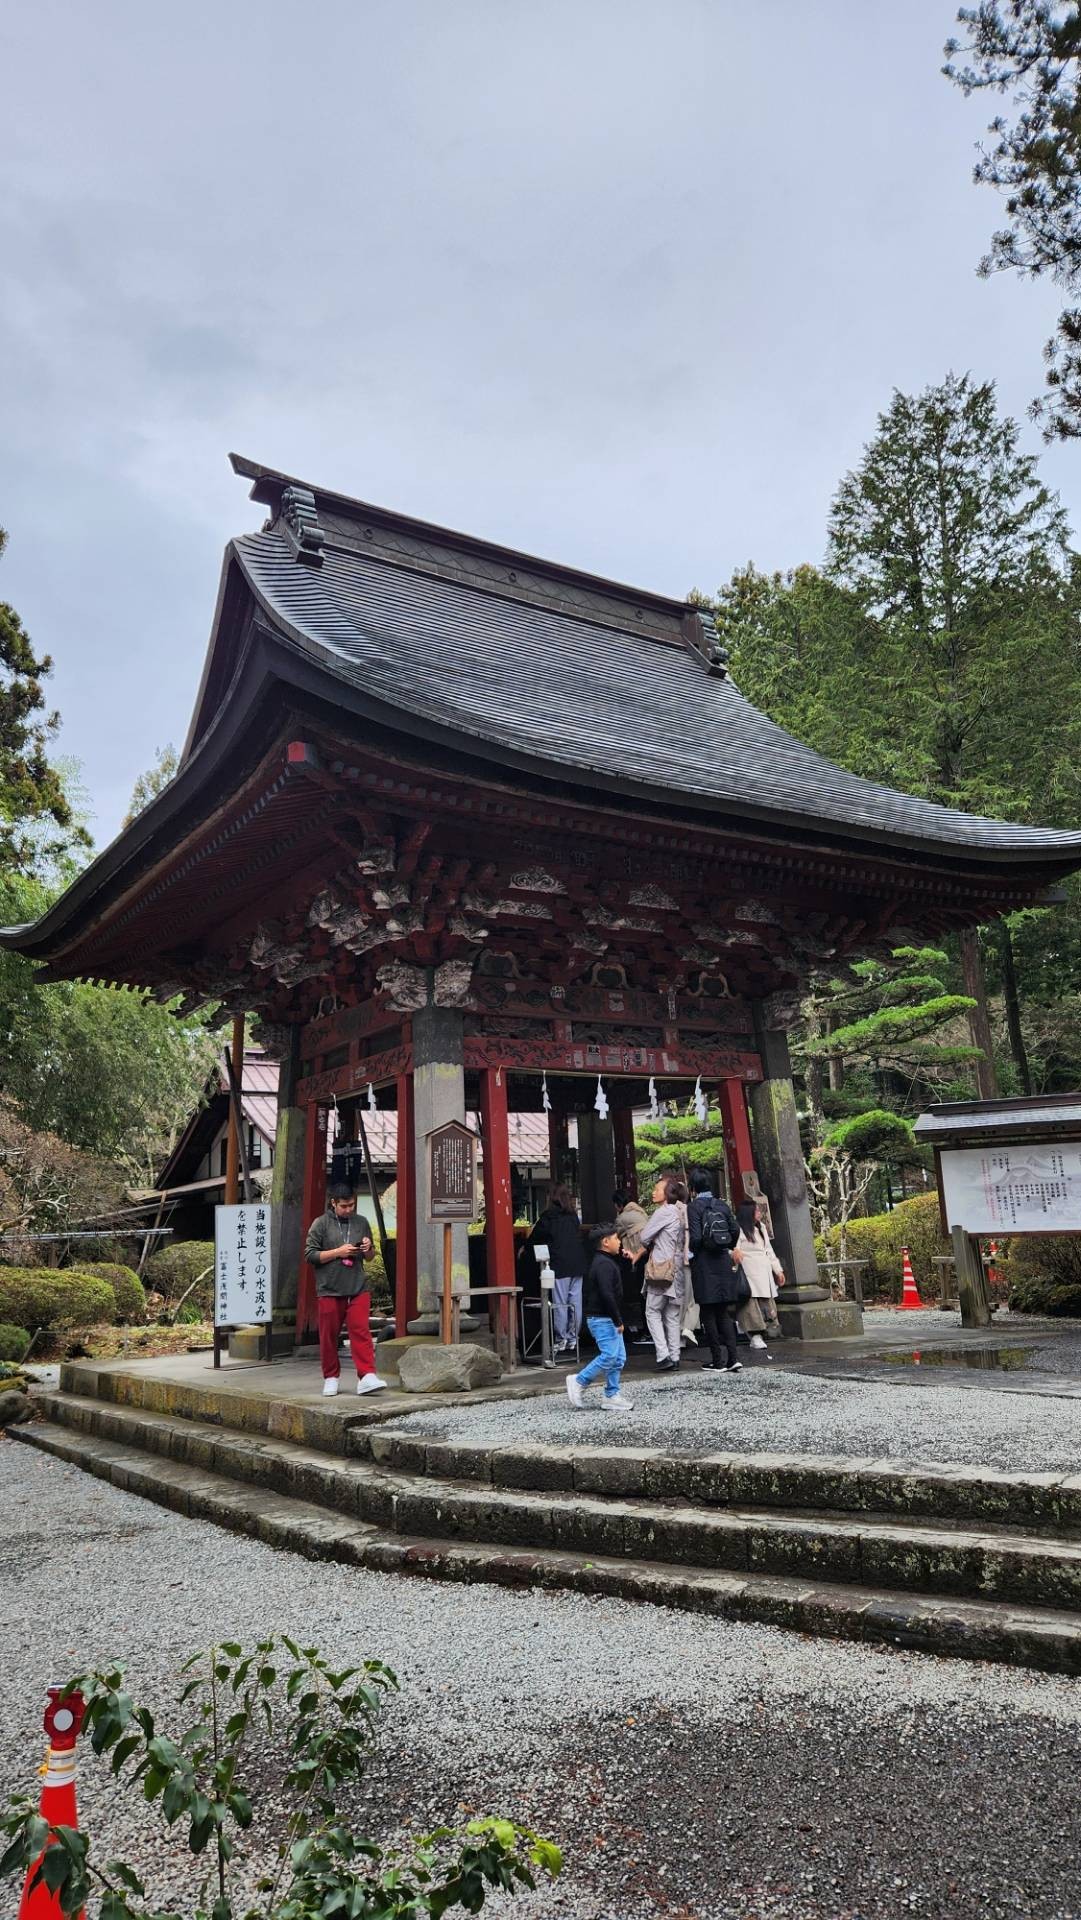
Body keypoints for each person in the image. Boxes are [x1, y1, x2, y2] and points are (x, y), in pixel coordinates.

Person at [304, 1181, 388, 1397]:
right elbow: (310, 1255)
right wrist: (338, 1252)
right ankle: (331, 1377)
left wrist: (369, 1249)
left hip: (358, 1286)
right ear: (333, 1203)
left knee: (361, 1331)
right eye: (344, 1206)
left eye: (352, 1205)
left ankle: (367, 1375)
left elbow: (369, 1258)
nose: (349, 1209)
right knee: (329, 1335)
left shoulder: (361, 1222)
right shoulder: (320, 1224)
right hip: (329, 1289)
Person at [566, 1222, 633, 1412]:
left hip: (606, 1317)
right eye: (615, 1238)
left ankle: (612, 1394)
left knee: (618, 1357)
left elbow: (615, 1285)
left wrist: (626, 1262)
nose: (619, 1242)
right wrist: (617, 1320)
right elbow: (606, 1293)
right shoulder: (603, 1264)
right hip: (602, 1317)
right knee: (610, 1355)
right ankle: (579, 1381)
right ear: (605, 1242)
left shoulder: (605, 1261)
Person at [687, 1170, 745, 1375]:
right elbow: (735, 1229)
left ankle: (717, 1360)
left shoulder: (694, 1207)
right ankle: (734, 1358)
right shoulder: (722, 1204)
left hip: (704, 1263)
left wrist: (694, 1251)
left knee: (708, 1313)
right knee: (724, 1313)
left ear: (692, 1188)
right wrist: (726, 1245)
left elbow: (694, 1237)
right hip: (722, 1260)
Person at [638, 1176, 691, 1372]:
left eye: (657, 1188)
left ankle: (663, 1355)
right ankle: (675, 1356)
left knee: (652, 1311)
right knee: (672, 1314)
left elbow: (644, 1237)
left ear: (667, 1193)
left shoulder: (664, 1212)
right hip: (679, 1267)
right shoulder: (683, 1210)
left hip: (662, 1267)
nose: (653, 1191)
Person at [529, 1185, 586, 1354]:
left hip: (560, 1263)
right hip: (578, 1262)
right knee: (576, 1302)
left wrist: (525, 1247)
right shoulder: (573, 1216)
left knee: (560, 1302)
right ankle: (573, 1338)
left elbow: (536, 1236)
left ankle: (560, 1339)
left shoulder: (548, 1217)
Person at [735, 1199, 786, 1348]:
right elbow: (734, 1248)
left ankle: (763, 1333)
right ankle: (755, 1336)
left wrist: (778, 1270)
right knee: (751, 1306)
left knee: (765, 1305)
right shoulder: (738, 1229)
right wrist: (735, 1253)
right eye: (756, 1210)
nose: (759, 1213)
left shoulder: (761, 1227)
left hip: (764, 1272)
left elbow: (768, 1250)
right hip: (749, 1272)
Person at [613, 1185, 650, 1342]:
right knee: (648, 1294)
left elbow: (614, 1234)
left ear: (618, 1204)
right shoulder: (640, 1211)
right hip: (649, 1254)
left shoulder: (622, 1218)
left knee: (643, 1295)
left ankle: (647, 1331)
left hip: (637, 1256)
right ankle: (649, 1330)